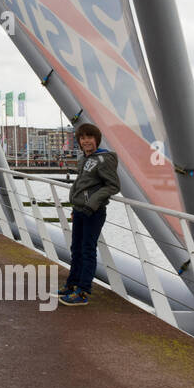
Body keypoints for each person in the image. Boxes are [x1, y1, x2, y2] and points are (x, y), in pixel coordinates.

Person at [60, 122, 120, 306]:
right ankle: (72, 284)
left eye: (89, 137)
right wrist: (75, 207)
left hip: (93, 213)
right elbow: (82, 184)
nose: (86, 141)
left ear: (97, 139)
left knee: (87, 250)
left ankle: (83, 291)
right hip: (79, 211)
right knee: (76, 249)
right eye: (82, 138)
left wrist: (91, 204)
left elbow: (113, 186)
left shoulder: (104, 159)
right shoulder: (85, 159)